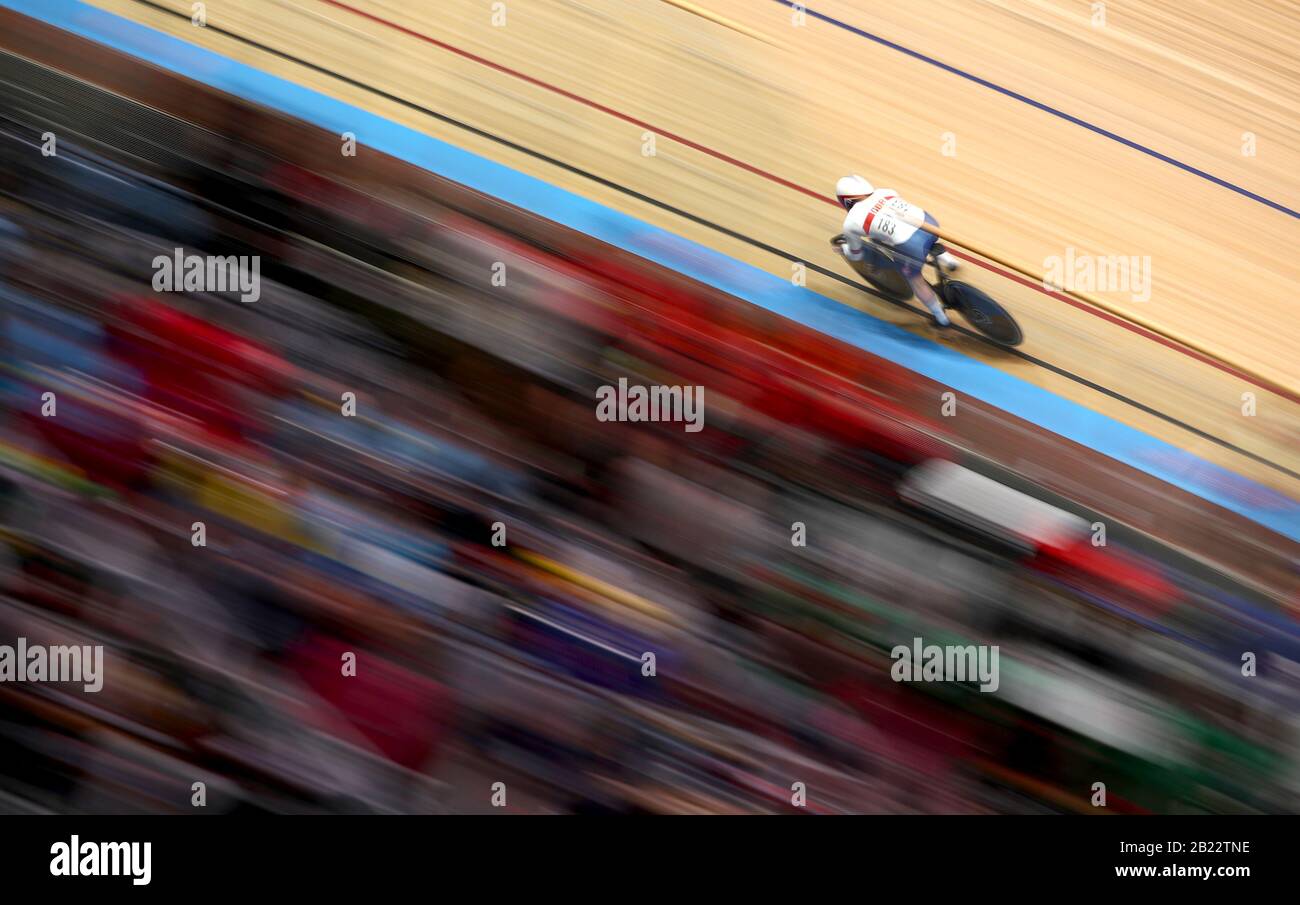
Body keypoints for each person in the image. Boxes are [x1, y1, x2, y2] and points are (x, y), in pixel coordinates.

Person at [832, 175, 960, 328]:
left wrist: (844, 249)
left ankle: (941, 318)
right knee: (912, 236)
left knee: (915, 280)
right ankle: (949, 260)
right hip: (929, 223)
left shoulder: (851, 222)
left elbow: (856, 255)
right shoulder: (885, 191)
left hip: (912, 245)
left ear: (846, 201)